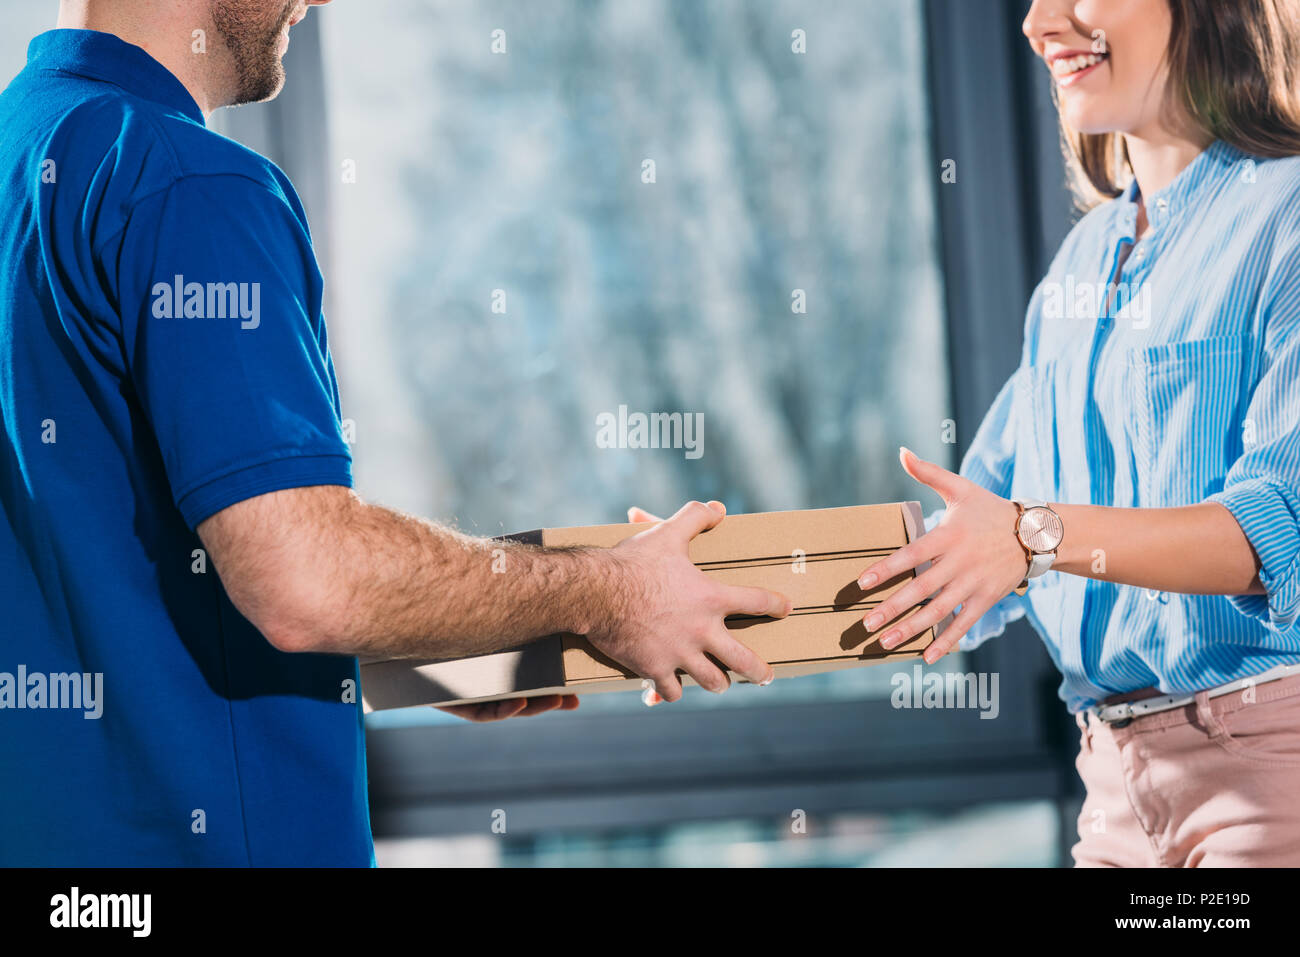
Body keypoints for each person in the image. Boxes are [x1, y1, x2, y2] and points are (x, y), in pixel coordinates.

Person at [0, 0, 791, 866]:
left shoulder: (22, 152)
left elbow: (98, 563)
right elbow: (302, 579)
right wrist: (612, 593)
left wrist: (424, 637)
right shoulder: (190, 185)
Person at [860, 0, 1300, 866]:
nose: (1036, 22)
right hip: (1111, 796)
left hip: (1265, 775)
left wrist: (1036, 538)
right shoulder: (1079, 266)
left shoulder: (1288, 217)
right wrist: (712, 584)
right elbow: (972, 543)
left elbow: (1277, 528)